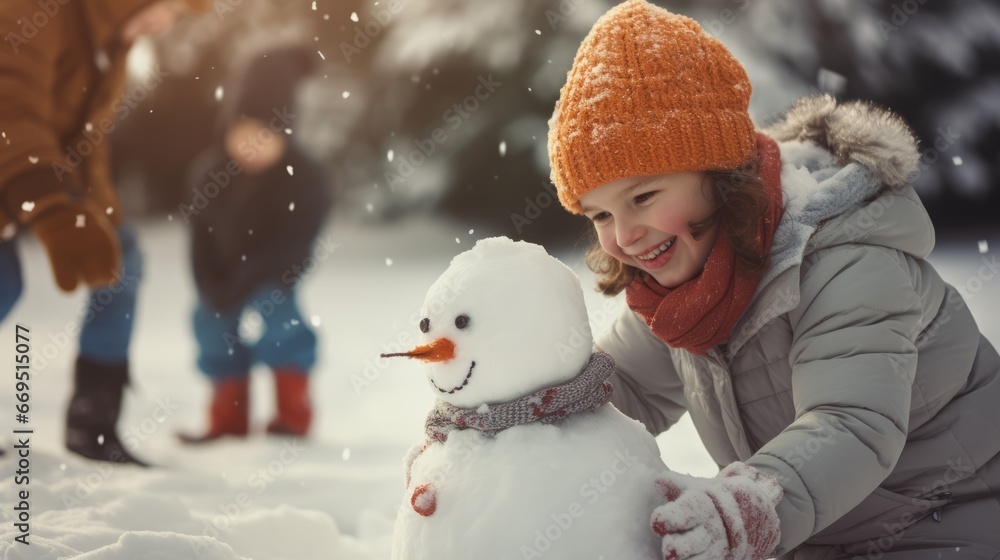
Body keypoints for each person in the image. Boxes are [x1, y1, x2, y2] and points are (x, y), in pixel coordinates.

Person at [547, 1, 1000, 559]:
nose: (624, 236)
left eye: (642, 197)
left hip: (949, 517)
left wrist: (747, 506)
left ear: (720, 177)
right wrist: (517, 417)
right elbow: (622, 393)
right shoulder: (684, 288)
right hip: (816, 534)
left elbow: (852, 423)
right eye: (600, 216)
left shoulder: (845, 261)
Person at [0, 0, 207, 465]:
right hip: (16, 171)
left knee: (121, 260)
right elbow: (9, 111)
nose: (166, 23)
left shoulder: (111, 46)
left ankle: (93, 423)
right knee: (4, 283)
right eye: (168, 7)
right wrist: (52, 209)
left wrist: (99, 216)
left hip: (30, 178)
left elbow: (85, 146)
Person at [179, 46, 330, 442]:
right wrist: (210, 283)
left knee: (282, 321)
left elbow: (294, 243)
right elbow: (199, 238)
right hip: (223, 275)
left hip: (274, 273)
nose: (252, 146)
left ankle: (292, 416)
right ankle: (227, 420)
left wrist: (252, 275)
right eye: (242, 135)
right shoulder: (209, 174)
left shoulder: (304, 179)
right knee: (209, 323)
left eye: (265, 136)